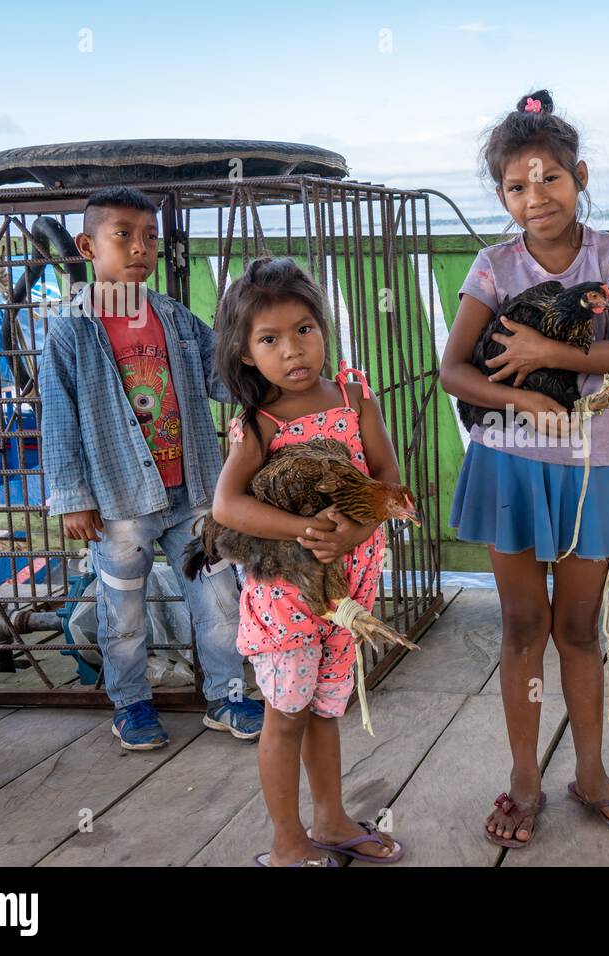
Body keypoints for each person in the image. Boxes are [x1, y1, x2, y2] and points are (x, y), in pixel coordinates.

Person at [440, 89, 609, 846]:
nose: (537, 196)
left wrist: (543, 354)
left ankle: (589, 771)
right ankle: (525, 776)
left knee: (580, 628)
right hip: (507, 465)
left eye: (551, 178)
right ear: (503, 194)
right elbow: (452, 370)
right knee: (522, 626)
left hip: (588, 468)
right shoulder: (493, 266)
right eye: (518, 186)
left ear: (580, 176)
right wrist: (519, 399)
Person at [40, 186, 263, 750]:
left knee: (218, 603)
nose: (140, 248)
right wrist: (72, 496)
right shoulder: (71, 328)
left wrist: (264, 348)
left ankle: (229, 696)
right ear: (88, 247)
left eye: (150, 238)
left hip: (191, 495)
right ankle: (131, 704)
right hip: (117, 504)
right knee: (124, 611)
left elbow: (221, 380)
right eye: (124, 236)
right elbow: (59, 419)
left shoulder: (175, 318)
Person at [210, 257, 406, 866]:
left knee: (327, 708)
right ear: (245, 354)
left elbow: (388, 480)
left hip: (347, 592)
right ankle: (287, 843)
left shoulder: (354, 396)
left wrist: (355, 531)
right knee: (285, 715)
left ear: (323, 328)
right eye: (269, 339)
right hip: (285, 597)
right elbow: (226, 506)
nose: (293, 350)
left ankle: (330, 819)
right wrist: (304, 529)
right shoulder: (259, 425)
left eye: (304, 330)